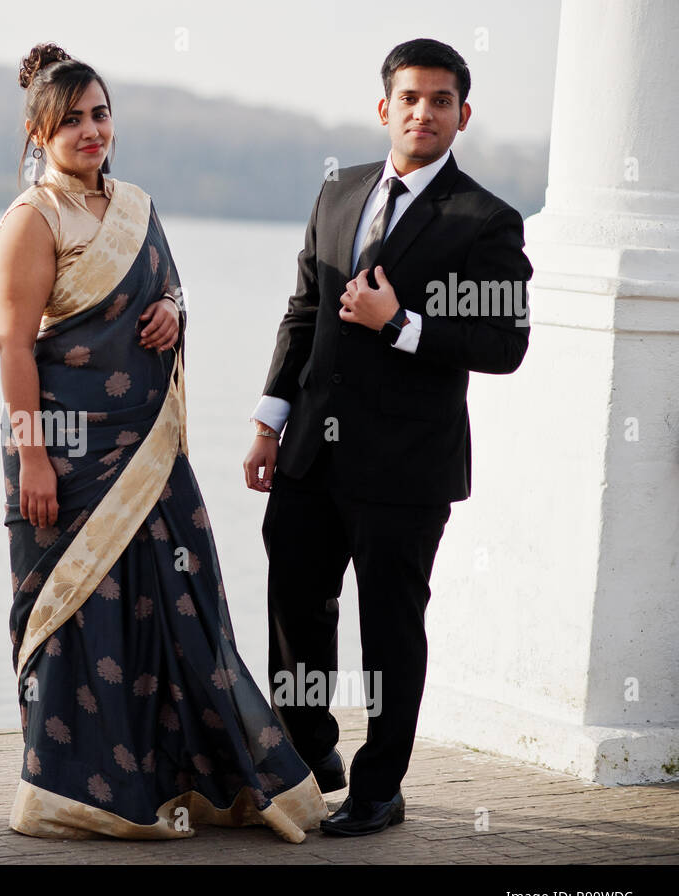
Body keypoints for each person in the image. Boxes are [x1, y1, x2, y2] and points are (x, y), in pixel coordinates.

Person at [0, 42, 327, 842]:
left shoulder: (138, 205)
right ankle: (78, 791)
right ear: (38, 131)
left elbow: (165, 290)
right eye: (69, 119)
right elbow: (12, 344)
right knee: (77, 614)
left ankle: (188, 779)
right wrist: (35, 455)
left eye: (100, 114)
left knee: (183, 606)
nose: (90, 130)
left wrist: (175, 310)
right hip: (69, 454)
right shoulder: (32, 218)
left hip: (150, 448)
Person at [243, 38, 533, 836]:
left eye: (442, 100)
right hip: (309, 453)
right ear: (384, 108)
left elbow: (505, 343)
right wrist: (270, 422)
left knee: (388, 632)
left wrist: (401, 323)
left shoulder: (485, 220)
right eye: (410, 97)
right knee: (296, 611)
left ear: (462, 116)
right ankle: (308, 756)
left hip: (406, 469)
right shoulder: (338, 192)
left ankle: (380, 787)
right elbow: (303, 310)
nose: (424, 112)